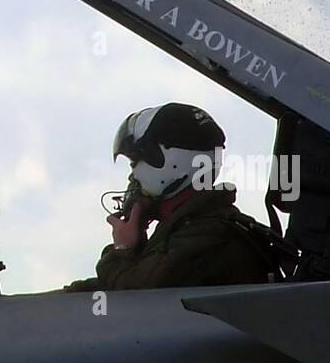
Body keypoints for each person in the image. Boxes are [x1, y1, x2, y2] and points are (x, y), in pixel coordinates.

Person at [65, 103, 274, 292]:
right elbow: (106, 290)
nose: (132, 176)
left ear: (172, 162)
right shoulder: (189, 229)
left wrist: (123, 249)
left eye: (134, 163)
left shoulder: (209, 237)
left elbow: (136, 302)